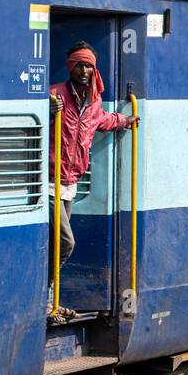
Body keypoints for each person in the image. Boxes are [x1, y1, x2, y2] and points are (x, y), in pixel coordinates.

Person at [47, 42, 139, 323]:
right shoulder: (54, 95)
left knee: (54, 246)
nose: (84, 70)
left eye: (88, 65)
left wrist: (126, 120)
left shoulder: (93, 102)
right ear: (70, 66)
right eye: (79, 64)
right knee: (65, 242)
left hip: (70, 184)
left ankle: (50, 301)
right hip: (47, 183)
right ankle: (44, 300)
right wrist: (47, 109)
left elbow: (103, 120)